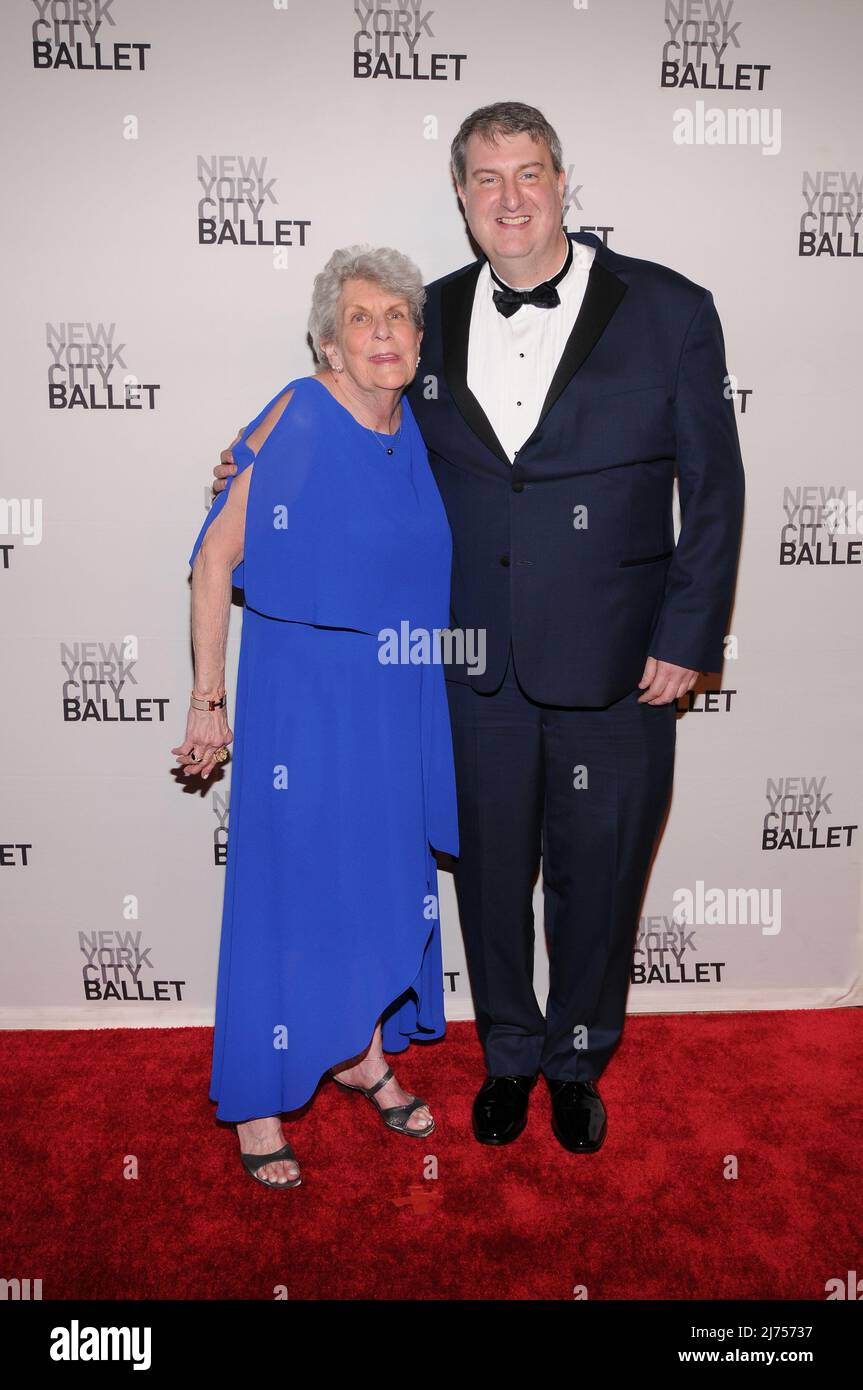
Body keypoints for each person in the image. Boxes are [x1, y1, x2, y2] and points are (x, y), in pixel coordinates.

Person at [212, 102, 745, 1158]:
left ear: (562, 181)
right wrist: (249, 464)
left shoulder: (671, 308)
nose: (509, 196)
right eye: (486, 178)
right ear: (460, 197)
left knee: (599, 878)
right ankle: (507, 1054)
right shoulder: (424, 317)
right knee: (491, 875)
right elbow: (346, 416)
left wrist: (688, 635)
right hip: (467, 665)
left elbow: (714, 487)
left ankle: (576, 1058)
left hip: (619, 663)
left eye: (529, 172)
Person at [174, 245, 458, 1189]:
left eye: (399, 318)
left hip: (398, 692)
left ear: (419, 338)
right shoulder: (296, 412)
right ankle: (257, 1102)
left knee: (382, 875)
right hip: (307, 697)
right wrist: (208, 700)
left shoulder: (420, 428)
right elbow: (215, 559)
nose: (383, 333)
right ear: (328, 341)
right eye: (362, 318)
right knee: (288, 886)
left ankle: (359, 1052)